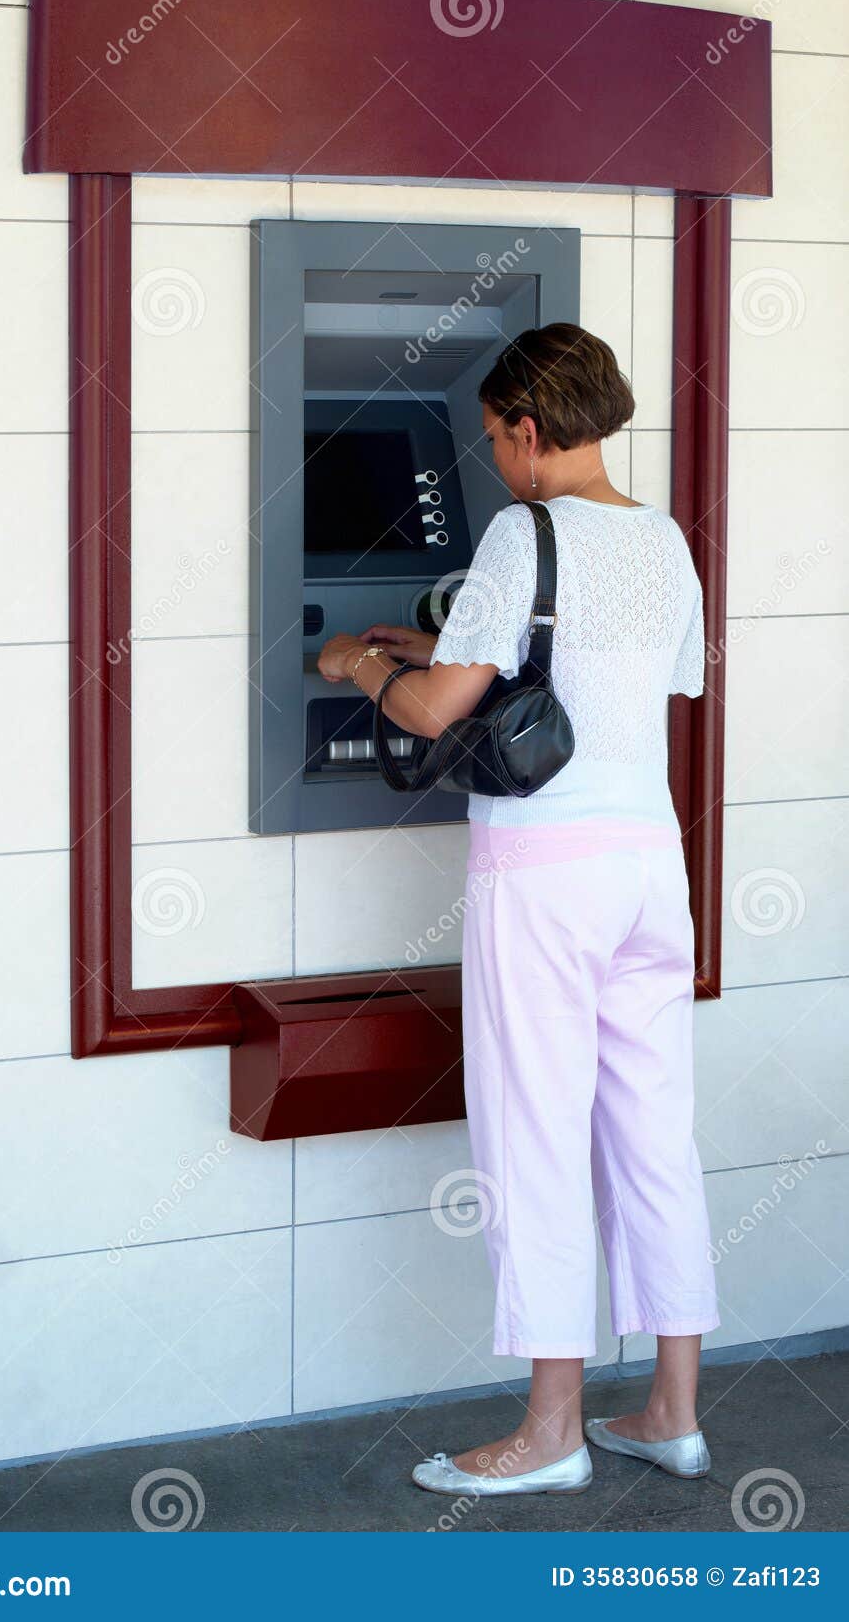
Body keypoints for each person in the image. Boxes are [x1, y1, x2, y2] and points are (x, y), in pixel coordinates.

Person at [317, 323, 719, 1499]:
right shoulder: (665, 538)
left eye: (495, 436)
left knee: (537, 1131)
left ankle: (551, 1434)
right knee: (655, 1132)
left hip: (545, 873)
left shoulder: (519, 529)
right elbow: (615, 671)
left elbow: (441, 712)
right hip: (652, 868)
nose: (492, 457)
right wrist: (448, 641)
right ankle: (673, 1412)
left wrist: (359, 664)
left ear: (532, 430)